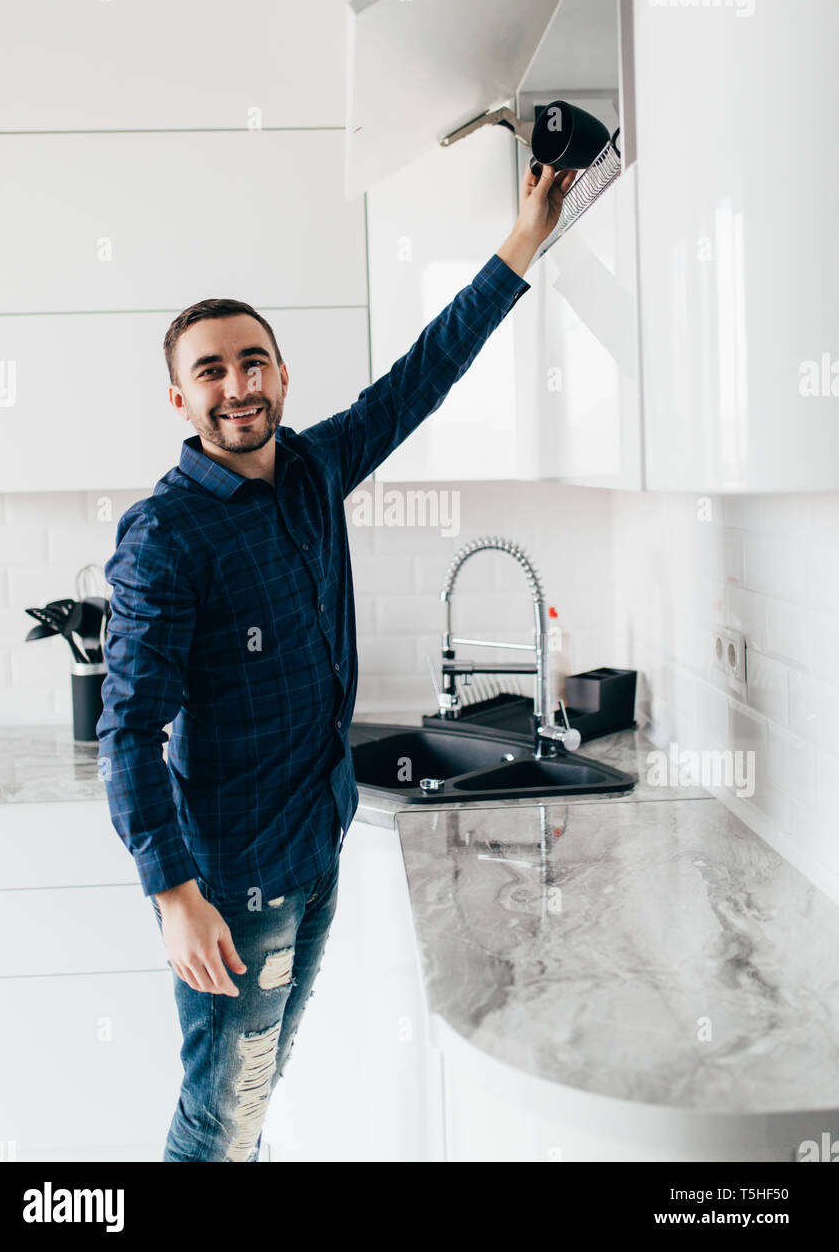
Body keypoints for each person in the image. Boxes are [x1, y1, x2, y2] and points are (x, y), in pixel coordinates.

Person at [95, 160, 576, 1162]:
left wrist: (524, 237)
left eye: (253, 361)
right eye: (213, 370)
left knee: (254, 1091)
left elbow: (422, 374)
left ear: (280, 372)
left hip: (314, 849)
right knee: (222, 1110)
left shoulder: (312, 470)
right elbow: (128, 729)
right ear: (178, 397)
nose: (239, 384)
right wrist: (172, 892)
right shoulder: (165, 534)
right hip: (233, 879)